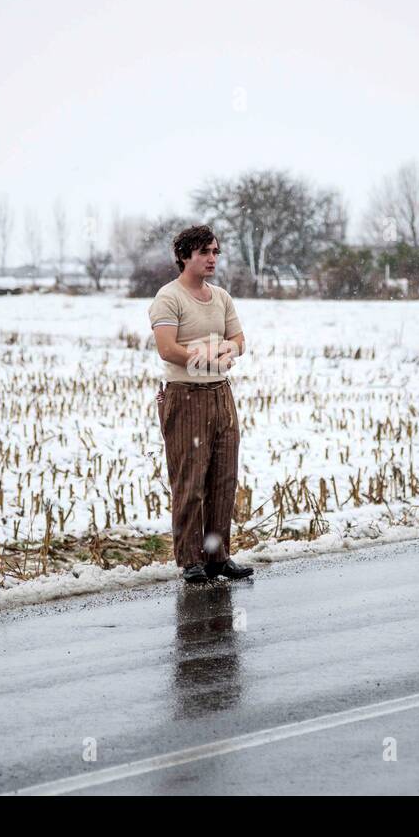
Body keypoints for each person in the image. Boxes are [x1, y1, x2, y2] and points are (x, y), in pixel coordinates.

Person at [147, 225, 254, 583]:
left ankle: (217, 556)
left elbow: (238, 338)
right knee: (190, 482)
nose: (212, 259)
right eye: (204, 252)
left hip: (221, 395)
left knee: (223, 478)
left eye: (215, 252)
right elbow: (168, 348)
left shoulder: (221, 297)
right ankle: (191, 560)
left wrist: (230, 349)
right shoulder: (169, 298)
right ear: (184, 256)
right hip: (186, 396)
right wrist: (210, 357)